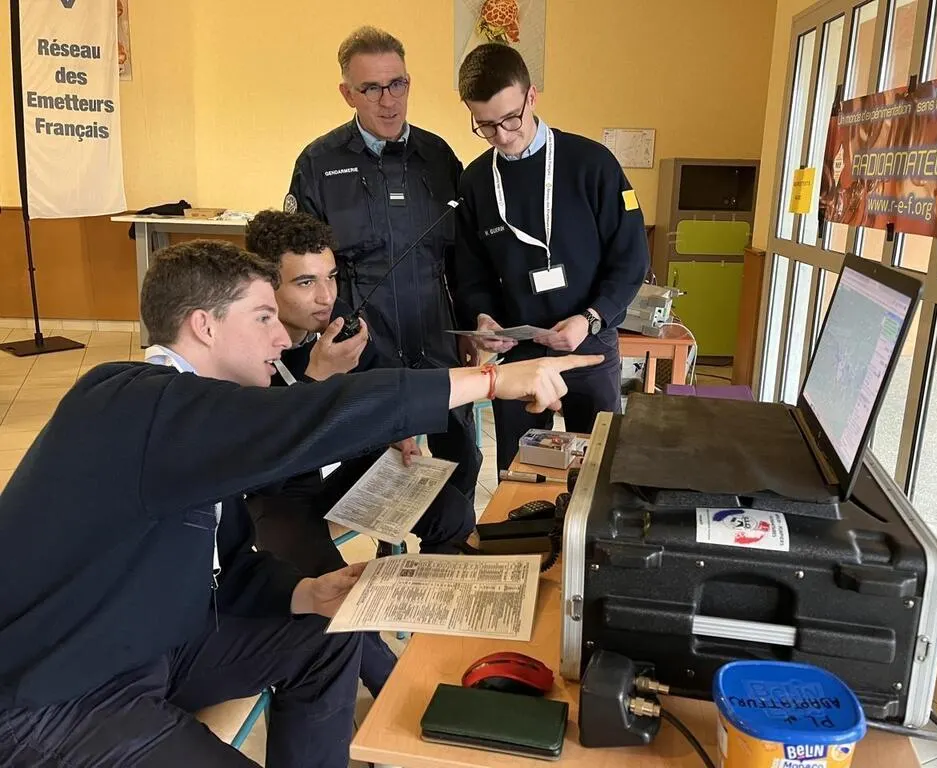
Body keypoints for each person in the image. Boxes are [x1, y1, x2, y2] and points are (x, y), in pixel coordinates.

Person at [0, 239, 601, 767]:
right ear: (204, 326)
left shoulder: (203, 424)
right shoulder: (125, 398)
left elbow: (227, 569)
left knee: (328, 633)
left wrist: (303, 593)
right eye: (264, 317)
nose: (283, 336)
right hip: (54, 692)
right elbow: (302, 419)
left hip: (154, 645)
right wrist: (491, 382)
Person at [243, 209, 477, 696]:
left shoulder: (340, 323)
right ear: (266, 287)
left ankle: (436, 644)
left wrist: (399, 426)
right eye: (305, 282)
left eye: (330, 277)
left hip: (344, 474)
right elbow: (260, 463)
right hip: (275, 495)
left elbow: (387, 381)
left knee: (452, 512)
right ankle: (396, 696)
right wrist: (318, 378)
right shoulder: (241, 345)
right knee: (339, 590)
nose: (326, 296)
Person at [285, 25, 482, 504]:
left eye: (398, 84)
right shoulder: (319, 163)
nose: (388, 100)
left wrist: (473, 324)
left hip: (437, 343)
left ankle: (448, 553)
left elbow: (464, 258)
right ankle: (380, 568)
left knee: (461, 467)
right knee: (376, 481)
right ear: (347, 94)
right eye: (371, 88)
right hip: (364, 350)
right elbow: (301, 268)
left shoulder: (438, 158)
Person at [453, 43, 650, 476]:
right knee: (518, 474)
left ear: (531, 96)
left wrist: (591, 318)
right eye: (485, 126)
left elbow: (631, 258)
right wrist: (483, 318)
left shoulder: (591, 164)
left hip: (589, 345)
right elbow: (469, 272)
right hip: (519, 354)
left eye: (510, 119)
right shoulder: (476, 181)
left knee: (597, 470)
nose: (502, 136)